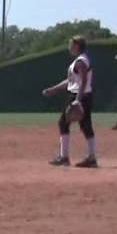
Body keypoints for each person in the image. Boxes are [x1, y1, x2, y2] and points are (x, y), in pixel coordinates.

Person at [42, 35, 98, 168]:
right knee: (85, 126)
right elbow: (71, 81)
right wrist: (53, 89)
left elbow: (83, 81)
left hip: (79, 96)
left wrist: (78, 100)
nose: (69, 47)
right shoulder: (79, 61)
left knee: (64, 123)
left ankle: (64, 157)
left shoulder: (81, 61)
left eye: (71, 44)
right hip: (82, 95)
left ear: (77, 46)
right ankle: (91, 158)